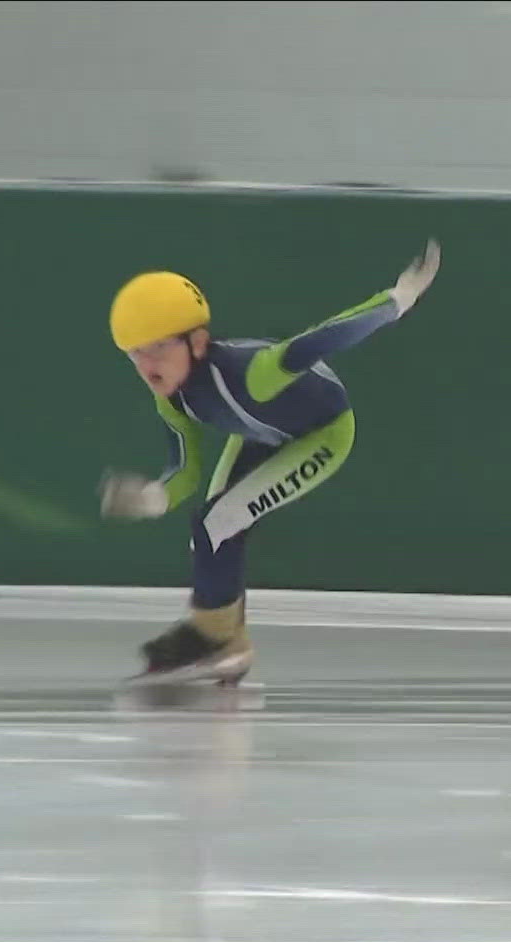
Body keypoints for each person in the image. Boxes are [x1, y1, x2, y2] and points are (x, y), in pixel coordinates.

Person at [99, 240, 441, 683]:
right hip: (262, 433)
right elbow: (185, 471)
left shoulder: (250, 374)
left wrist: (398, 298)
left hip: (324, 435)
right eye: (135, 352)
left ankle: (214, 637)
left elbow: (324, 337)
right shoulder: (171, 400)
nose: (147, 364)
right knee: (209, 533)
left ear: (198, 342)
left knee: (215, 527)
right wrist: (152, 498)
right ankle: (225, 640)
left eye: (159, 347)